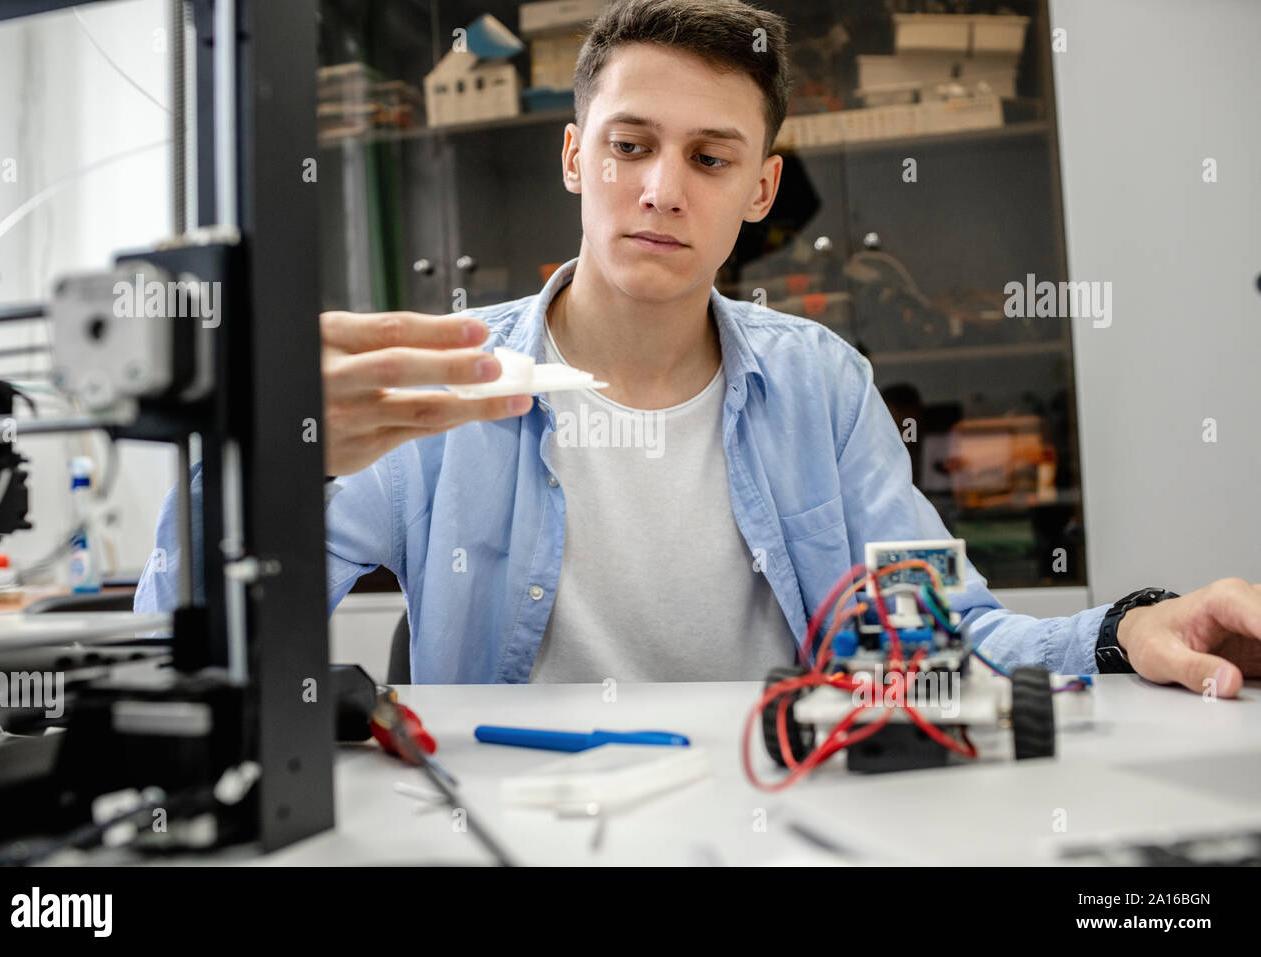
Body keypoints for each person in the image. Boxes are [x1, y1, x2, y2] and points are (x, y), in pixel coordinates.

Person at [136, 0, 1261, 692]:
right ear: (576, 158)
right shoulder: (449, 375)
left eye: (711, 159)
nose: (663, 189)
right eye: (631, 145)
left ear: (761, 190)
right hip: (507, 832)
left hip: (781, 813)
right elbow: (184, 643)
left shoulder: (820, 383)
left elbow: (949, 635)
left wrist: (1124, 629)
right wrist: (257, 463)